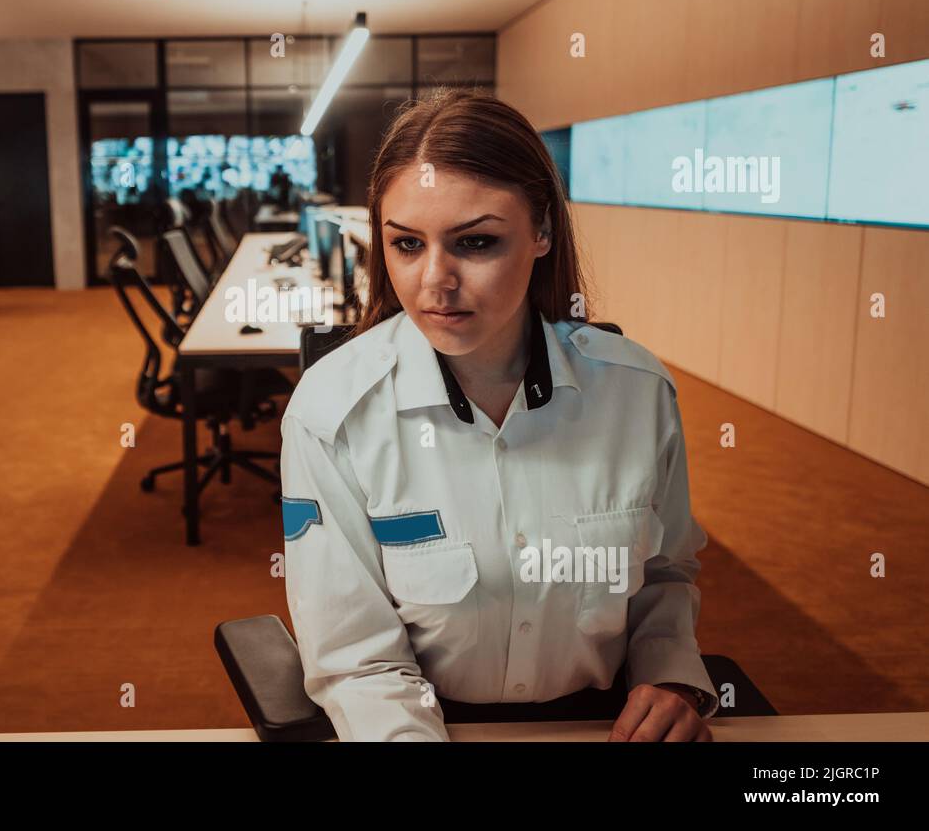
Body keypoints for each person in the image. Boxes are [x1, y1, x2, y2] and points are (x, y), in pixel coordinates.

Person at [280, 88, 717, 742]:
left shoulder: (638, 394)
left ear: (541, 230)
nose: (434, 282)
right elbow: (357, 661)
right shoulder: (330, 413)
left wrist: (671, 677)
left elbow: (665, 573)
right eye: (405, 245)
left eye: (476, 242)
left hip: (600, 728)